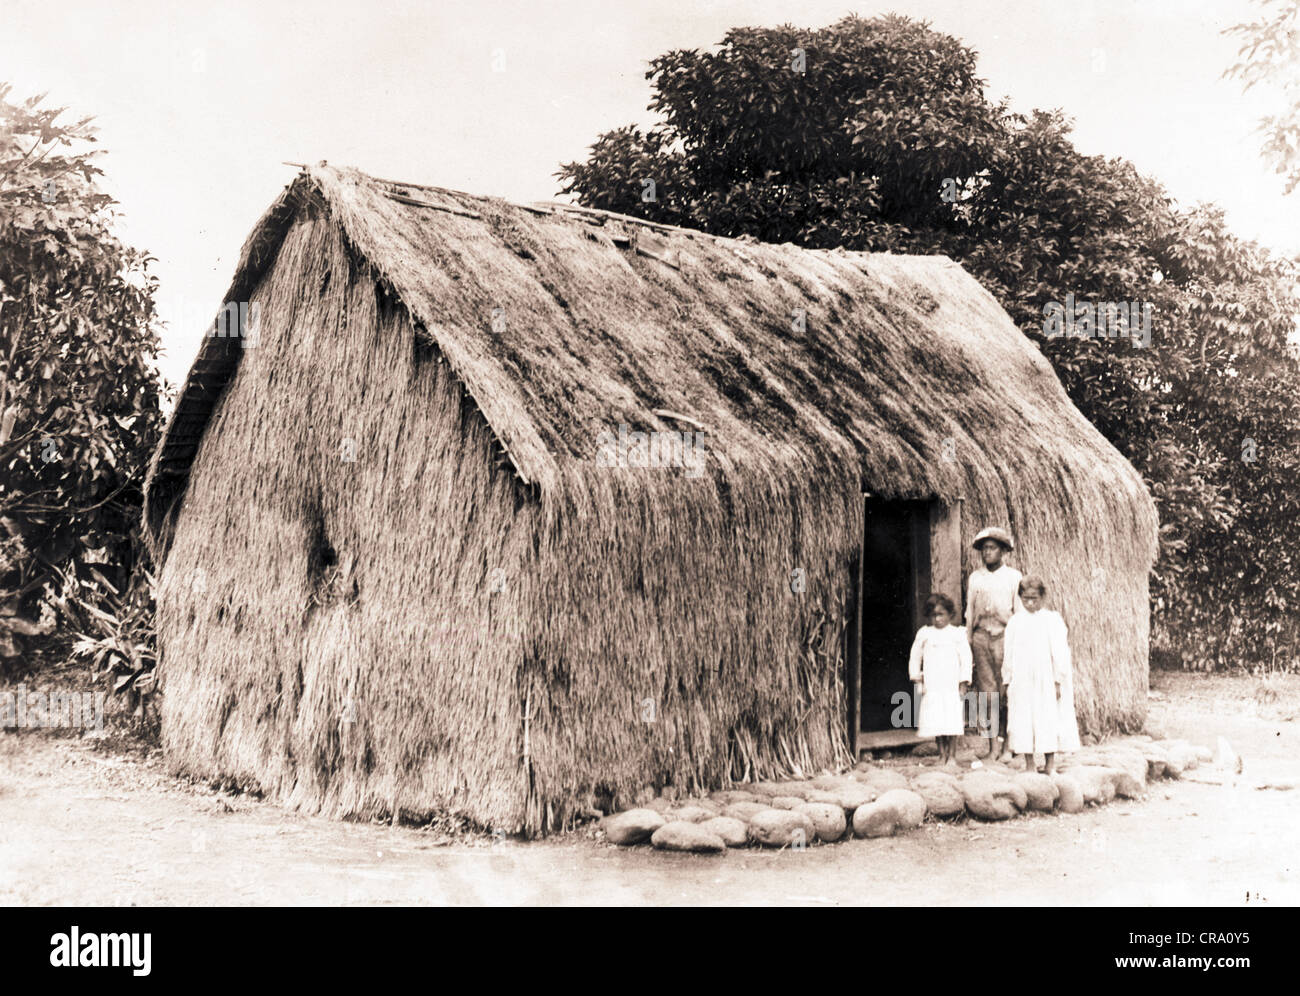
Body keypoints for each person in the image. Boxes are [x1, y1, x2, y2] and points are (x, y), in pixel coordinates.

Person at [1001, 575, 1081, 774]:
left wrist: (1057, 681)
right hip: (1022, 678)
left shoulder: (1051, 620)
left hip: (1045, 678)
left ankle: (1050, 764)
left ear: (1042, 598)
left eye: (1034, 598)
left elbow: (1060, 653)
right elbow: (1009, 653)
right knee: (1023, 717)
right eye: (1025, 598)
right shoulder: (1015, 622)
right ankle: (1029, 764)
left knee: (1047, 717)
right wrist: (1007, 679)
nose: (1029, 603)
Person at [965, 526, 1022, 762]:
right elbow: (970, 610)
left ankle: (1010, 745)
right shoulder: (976, 578)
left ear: (1002, 551)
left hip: (1005, 637)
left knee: (1007, 690)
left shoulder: (1013, 577)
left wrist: (1017, 642)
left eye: (992, 548)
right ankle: (992, 748)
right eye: (984, 549)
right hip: (981, 637)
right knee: (988, 695)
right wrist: (969, 639)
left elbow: (1018, 613)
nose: (987, 553)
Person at [908, 593, 972, 768]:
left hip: (951, 685)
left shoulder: (957, 634)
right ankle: (941, 754)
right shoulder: (925, 634)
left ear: (950, 614)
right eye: (934, 615)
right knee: (937, 720)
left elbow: (966, 658)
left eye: (941, 614)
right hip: (934, 685)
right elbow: (915, 656)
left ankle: (952, 756)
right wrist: (916, 677)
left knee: (951, 719)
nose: (937, 619)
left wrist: (963, 682)